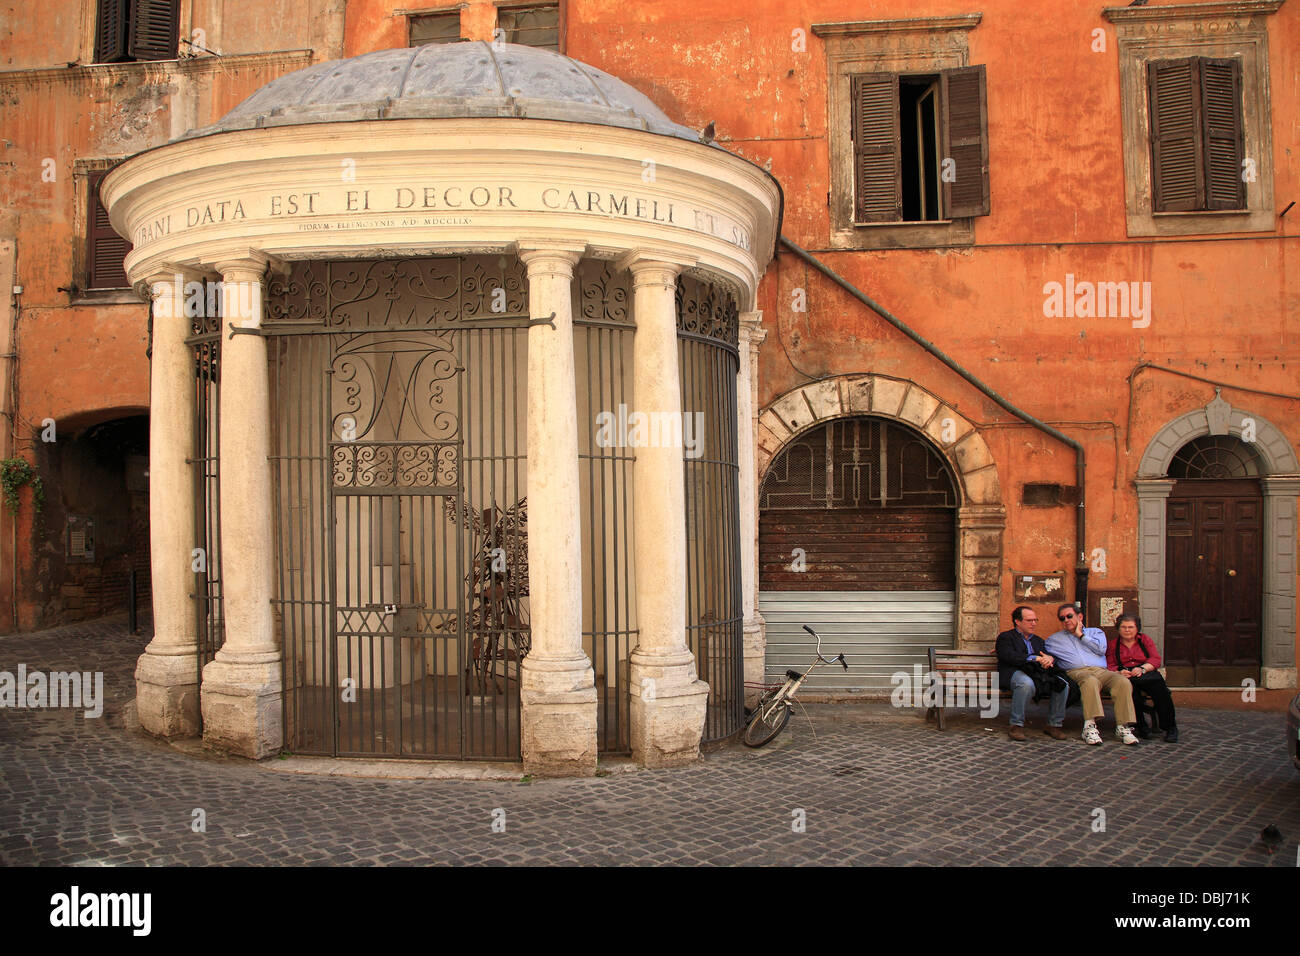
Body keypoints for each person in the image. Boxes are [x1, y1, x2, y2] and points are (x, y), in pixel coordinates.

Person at [1044, 603, 1139, 746]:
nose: (1066, 620)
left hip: (1101, 670)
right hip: (1076, 672)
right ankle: (1090, 726)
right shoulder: (1054, 640)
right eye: (1062, 618)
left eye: (1069, 616)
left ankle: (1123, 727)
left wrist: (1080, 635)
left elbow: (1101, 650)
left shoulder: (1096, 633)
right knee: (1089, 681)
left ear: (1080, 616)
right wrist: (1049, 657)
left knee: (1122, 681)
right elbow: (1046, 654)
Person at [995, 606, 1069, 741]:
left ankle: (1054, 725)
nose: (1033, 623)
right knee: (1025, 684)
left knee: (1062, 684)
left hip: (1036, 674)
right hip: (1014, 672)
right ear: (1018, 621)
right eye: (1029, 620)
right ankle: (1016, 725)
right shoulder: (1006, 637)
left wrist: (1049, 658)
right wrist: (1035, 658)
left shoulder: (1038, 641)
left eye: (1035, 620)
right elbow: (1008, 656)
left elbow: (1050, 654)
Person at [1107, 614, 1178, 743]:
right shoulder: (1113, 645)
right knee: (1131, 693)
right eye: (1123, 627)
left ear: (1137, 628)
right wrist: (1119, 672)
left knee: (1161, 693)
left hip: (1145, 672)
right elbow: (1110, 665)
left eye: (1131, 627)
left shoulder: (1145, 640)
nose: (1127, 630)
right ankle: (1141, 726)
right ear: (1118, 628)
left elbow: (1155, 659)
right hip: (1127, 675)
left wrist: (1143, 669)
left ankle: (1170, 728)